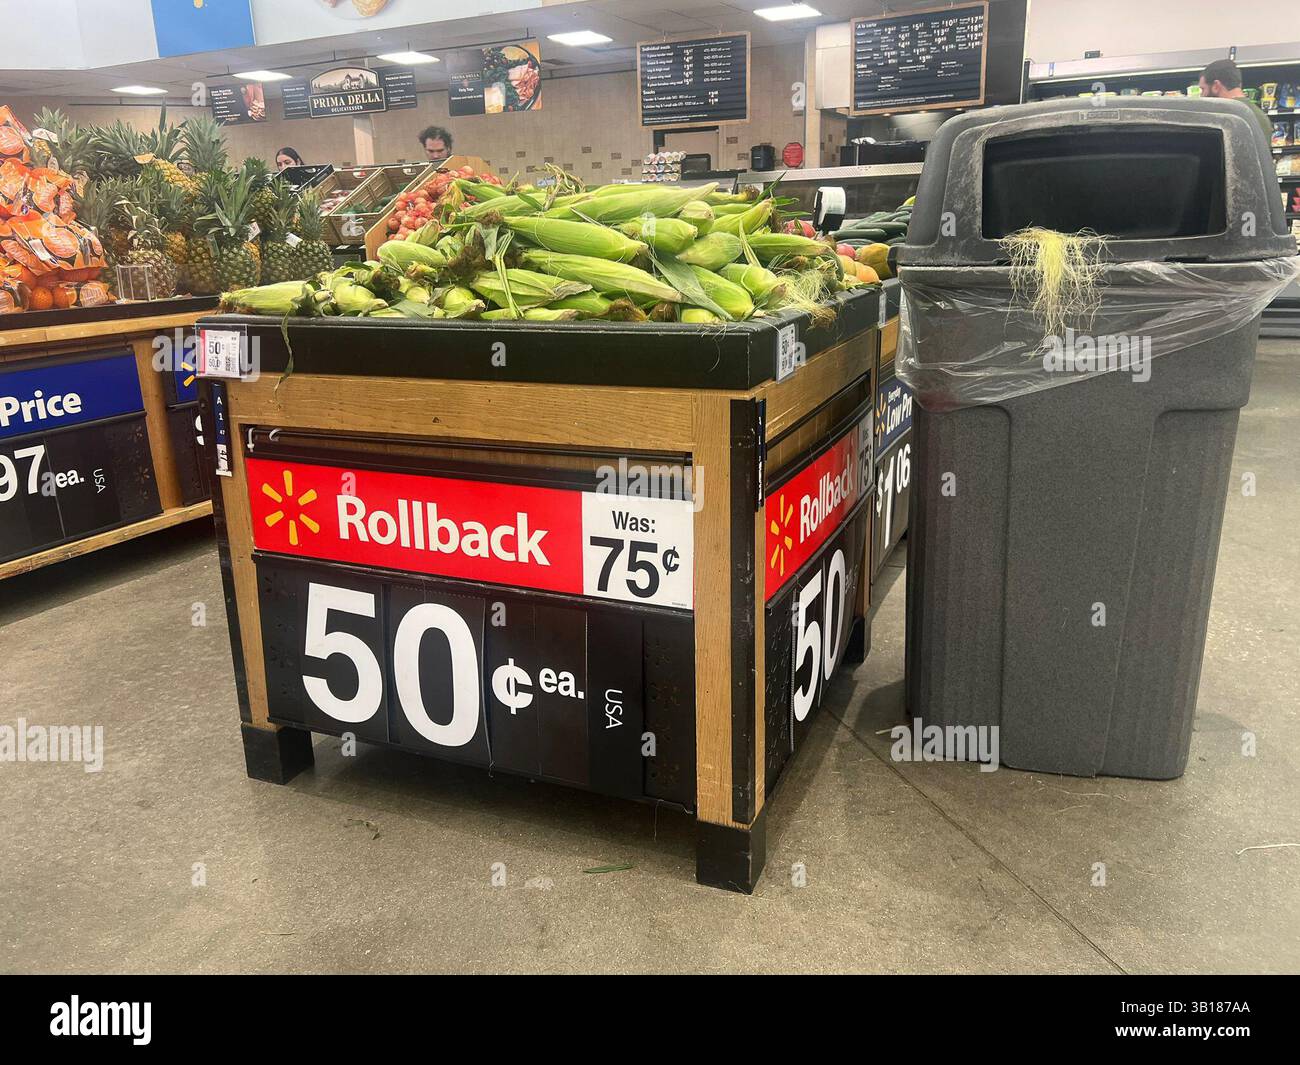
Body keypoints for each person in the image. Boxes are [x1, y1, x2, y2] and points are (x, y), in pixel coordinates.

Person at [1199, 60, 1274, 141]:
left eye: (1203, 89)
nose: (1201, 95)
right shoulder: (1259, 115)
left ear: (1216, 86)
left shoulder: (1221, 117)